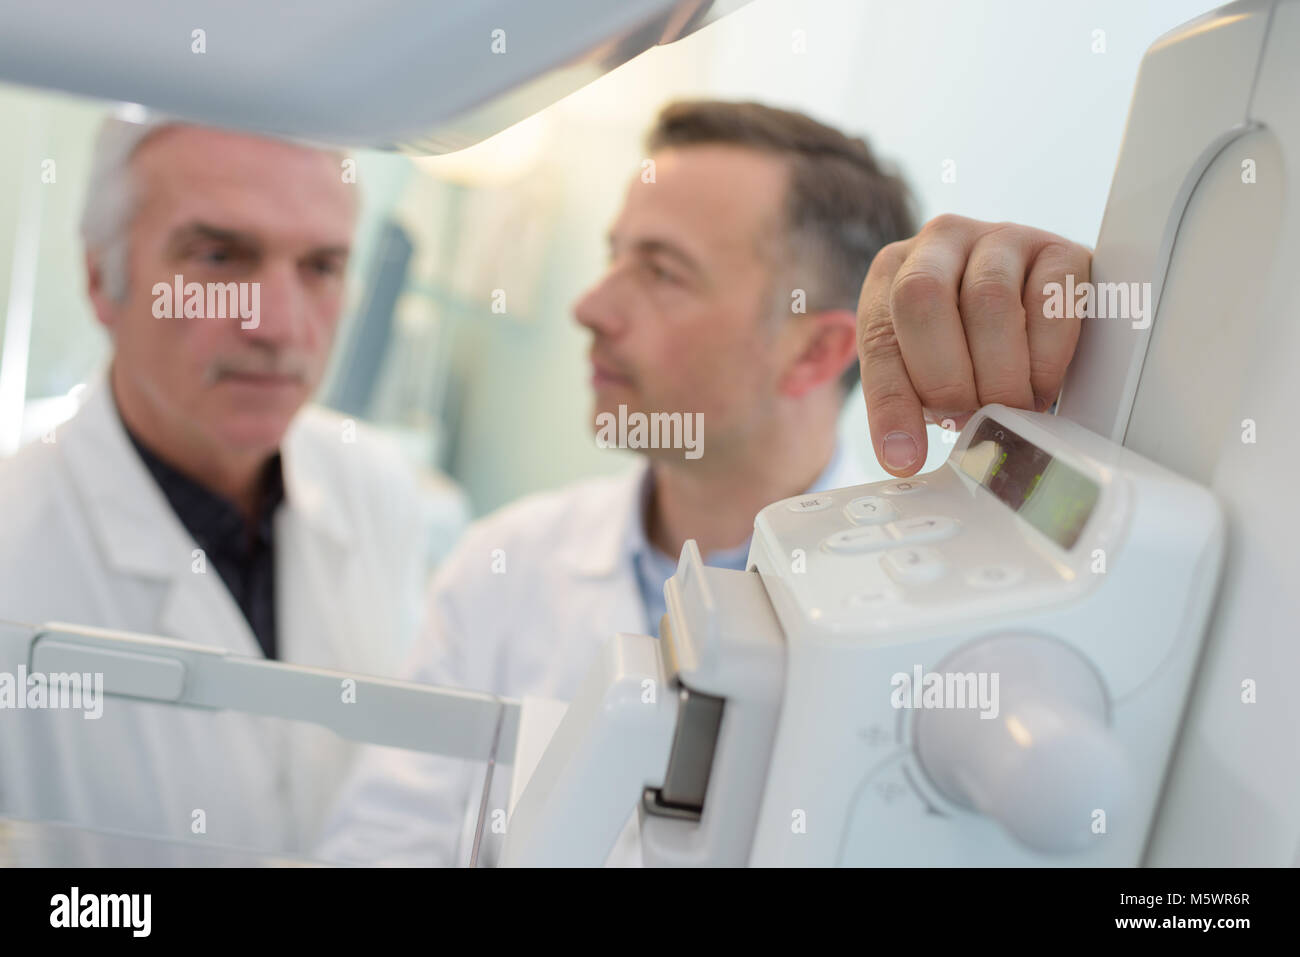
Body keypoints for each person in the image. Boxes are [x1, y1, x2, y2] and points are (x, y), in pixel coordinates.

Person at [318, 99, 935, 866]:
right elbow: (381, 845)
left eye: (661, 271)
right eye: (614, 256)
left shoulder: (917, 631)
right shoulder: (508, 563)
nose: (590, 305)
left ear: (814, 352)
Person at [0, 117, 446, 854]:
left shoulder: (377, 488)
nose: (278, 325)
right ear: (100, 280)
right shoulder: (15, 544)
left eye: (321, 266)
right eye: (217, 256)